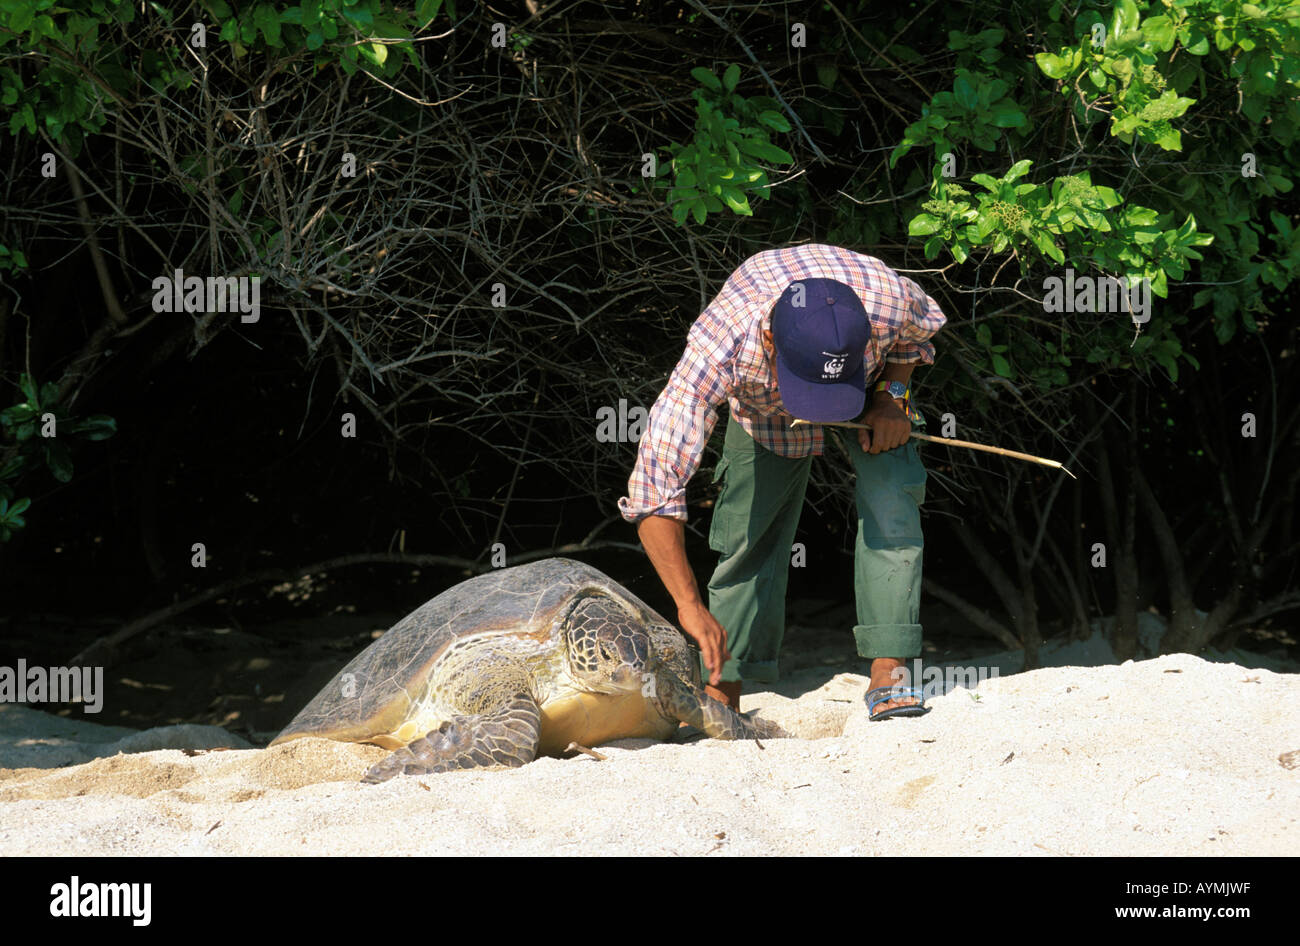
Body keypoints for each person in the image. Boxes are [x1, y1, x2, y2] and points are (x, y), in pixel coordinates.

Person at [618, 243, 947, 719]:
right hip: (762, 407)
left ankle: (889, 674)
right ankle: (725, 685)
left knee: (891, 499)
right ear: (769, 340)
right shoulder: (722, 342)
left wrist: (892, 395)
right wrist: (688, 607)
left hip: (867, 389)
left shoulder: (889, 300)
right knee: (749, 533)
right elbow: (653, 485)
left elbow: (917, 337)